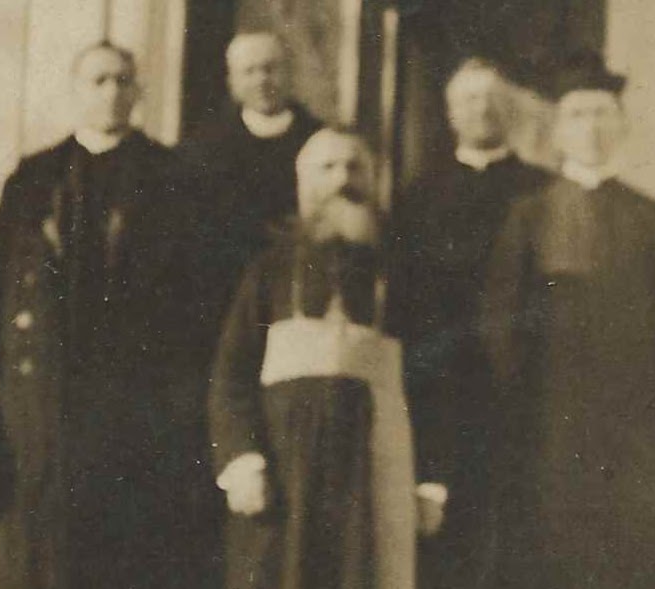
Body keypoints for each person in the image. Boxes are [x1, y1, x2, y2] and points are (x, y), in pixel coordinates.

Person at [0, 41, 222, 589]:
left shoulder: (173, 176)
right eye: (98, 80)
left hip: (133, 398)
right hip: (43, 396)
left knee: (122, 546)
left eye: (122, 80)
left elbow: (199, 297)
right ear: (75, 91)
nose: (112, 92)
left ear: (138, 91)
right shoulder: (35, 176)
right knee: (37, 540)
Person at [480, 49, 655, 589]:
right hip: (550, 422)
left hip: (635, 427)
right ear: (557, 131)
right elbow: (501, 324)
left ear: (621, 124)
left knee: (634, 552)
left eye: (602, 112)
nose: (591, 126)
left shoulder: (650, 217)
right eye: (577, 115)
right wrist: (508, 413)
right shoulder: (529, 215)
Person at [208, 128, 447, 589]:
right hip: (283, 476)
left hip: (372, 478)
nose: (343, 179)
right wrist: (242, 460)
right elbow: (230, 375)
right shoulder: (268, 270)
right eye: (328, 167)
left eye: (355, 167)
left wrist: (430, 484)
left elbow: (434, 388)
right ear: (303, 183)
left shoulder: (403, 276)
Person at [392, 57, 552, 589]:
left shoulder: (540, 190)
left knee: (516, 526)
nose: (481, 110)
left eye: (492, 100)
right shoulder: (419, 195)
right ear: (449, 114)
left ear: (509, 112)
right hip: (441, 384)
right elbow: (403, 300)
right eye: (468, 101)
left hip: (521, 383)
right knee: (445, 528)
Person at [183, 31, 323, 326]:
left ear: (289, 73)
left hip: (297, 284)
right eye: (250, 71)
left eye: (271, 68)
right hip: (222, 288)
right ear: (232, 79)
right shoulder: (204, 146)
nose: (262, 80)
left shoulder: (319, 140)